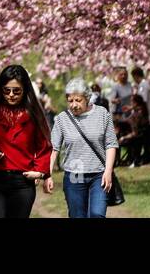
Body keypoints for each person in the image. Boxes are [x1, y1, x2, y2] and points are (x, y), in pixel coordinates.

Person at [0, 64, 53, 218]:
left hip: (22, 183)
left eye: (16, 91)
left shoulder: (34, 112)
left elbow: (44, 145)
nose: (11, 95)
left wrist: (40, 171)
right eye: (6, 90)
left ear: (25, 89)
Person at [50, 77, 118, 218]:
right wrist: (47, 174)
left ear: (87, 98)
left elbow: (111, 144)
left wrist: (108, 171)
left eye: (78, 100)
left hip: (99, 175)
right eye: (70, 101)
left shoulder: (102, 114)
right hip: (74, 176)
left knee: (97, 214)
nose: (74, 105)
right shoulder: (62, 119)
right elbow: (53, 148)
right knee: (77, 215)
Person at [133, 68, 150, 164]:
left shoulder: (143, 85)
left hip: (147, 117)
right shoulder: (143, 85)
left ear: (135, 75)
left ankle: (148, 158)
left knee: (147, 140)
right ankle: (147, 158)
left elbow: (142, 101)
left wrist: (133, 107)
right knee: (147, 139)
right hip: (147, 116)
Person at [118, 93, 149, 166]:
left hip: (138, 137)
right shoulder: (140, 109)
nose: (130, 103)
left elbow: (135, 133)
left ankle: (129, 160)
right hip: (140, 135)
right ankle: (127, 159)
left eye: (132, 102)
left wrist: (123, 137)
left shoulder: (137, 114)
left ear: (136, 103)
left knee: (118, 139)